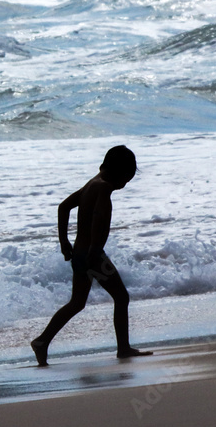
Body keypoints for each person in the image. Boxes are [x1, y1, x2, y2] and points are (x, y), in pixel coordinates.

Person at [31, 145, 151, 366]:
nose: (126, 184)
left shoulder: (90, 185)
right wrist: (96, 251)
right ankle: (123, 349)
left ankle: (42, 341)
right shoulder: (103, 188)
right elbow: (100, 219)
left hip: (79, 252)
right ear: (120, 172)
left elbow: (63, 207)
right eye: (127, 178)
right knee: (121, 297)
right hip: (92, 254)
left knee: (77, 302)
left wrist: (64, 241)